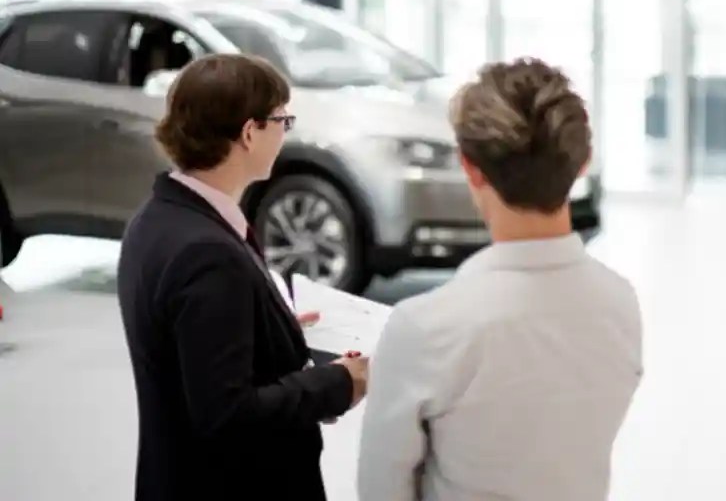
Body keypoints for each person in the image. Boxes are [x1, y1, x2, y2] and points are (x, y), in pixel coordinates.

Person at [357, 58, 643, 501]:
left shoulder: (425, 327)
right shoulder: (620, 303)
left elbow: (381, 491)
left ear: (469, 168)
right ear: (583, 163)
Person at [116, 53, 369, 501]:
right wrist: (340, 382)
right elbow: (227, 414)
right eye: (282, 120)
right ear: (250, 132)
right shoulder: (208, 254)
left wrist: (275, 330)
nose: (286, 133)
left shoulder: (158, 218)